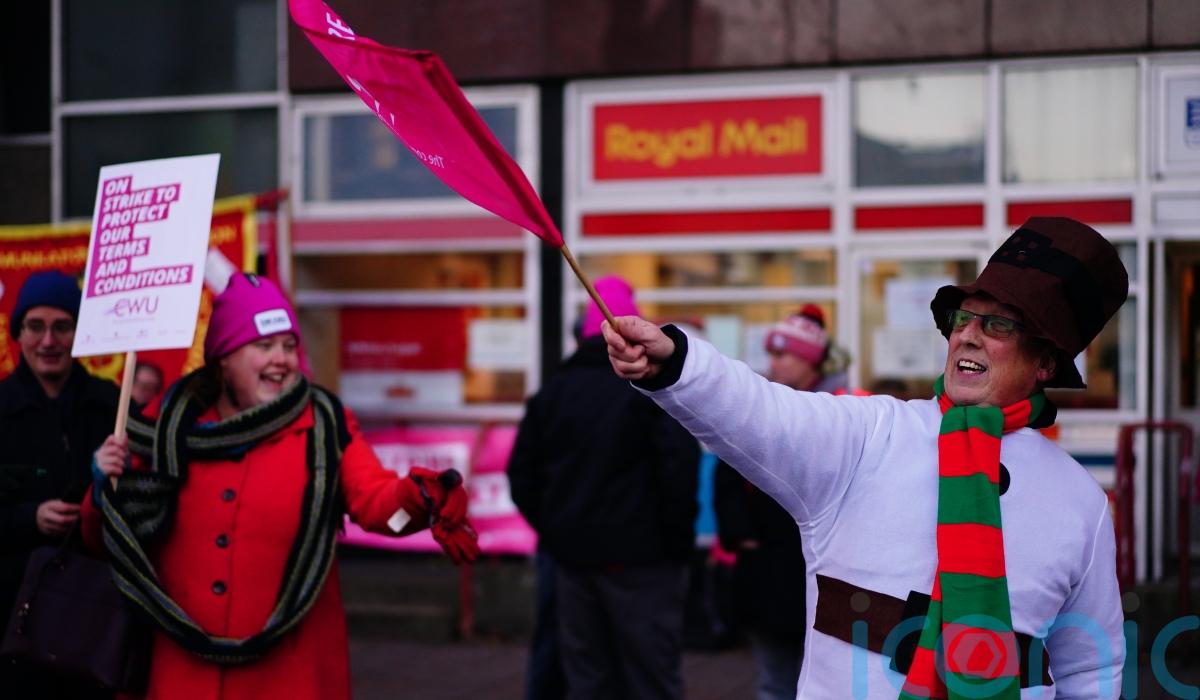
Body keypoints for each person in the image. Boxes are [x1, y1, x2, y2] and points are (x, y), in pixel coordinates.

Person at [603, 217, 1127, 699]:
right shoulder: (873, 432)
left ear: (1045, 363)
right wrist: (676, 364)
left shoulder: (1080, 501)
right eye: (964, 317)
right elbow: (764, 413)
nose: (967, 333)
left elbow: (1090, 670)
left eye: (1000, 325)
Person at [85, 273, 479, 700]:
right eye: (264, 346)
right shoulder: (159, 427)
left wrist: (419, 498)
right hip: (180, 679)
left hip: (288, 678)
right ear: (224, 358)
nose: (282, 359)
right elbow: (105, 540)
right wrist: (103, 486)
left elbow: (376, 501)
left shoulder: (324, 422)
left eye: (289, 346)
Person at [508, 275, 700, 700]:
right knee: (652, 680)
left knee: (588, 680)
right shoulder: (655, 391)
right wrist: (674, 544)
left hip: (575, 566)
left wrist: (558, 532)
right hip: (646, 566)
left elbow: (522, 475)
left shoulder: (553, 393)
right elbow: (678, 470)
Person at [713, 304, 844, 700]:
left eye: (783, 354)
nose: (773, 363)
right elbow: (728, 472)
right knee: (774, 679)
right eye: (771, 353)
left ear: (810, 361)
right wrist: (740, 535)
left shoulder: (842, 411)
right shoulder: (758, 407)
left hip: (824, 570)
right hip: (769, 569)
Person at [0, 270, 119, 700]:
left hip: (96, 620)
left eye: (62, 326)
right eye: (35, 326)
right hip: (14, 626)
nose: (48, 341)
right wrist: (30, 517)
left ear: (80, 332)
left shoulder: (111, 407)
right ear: (19, 334)